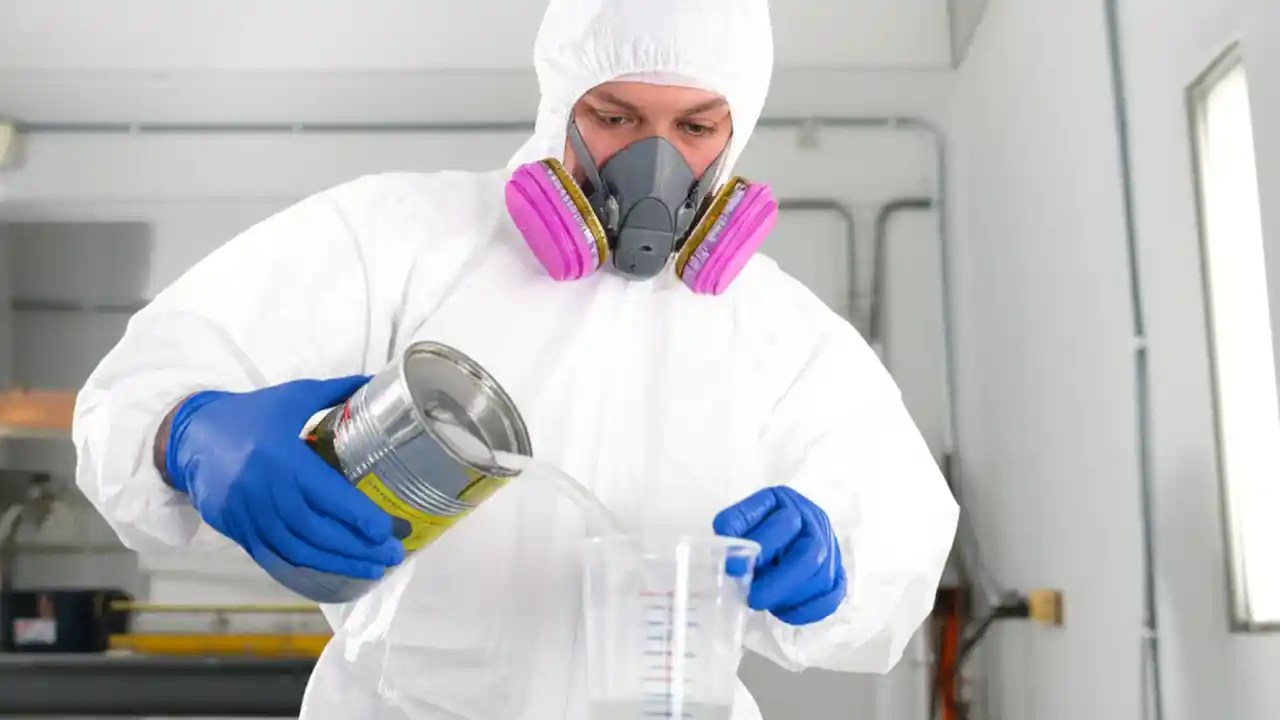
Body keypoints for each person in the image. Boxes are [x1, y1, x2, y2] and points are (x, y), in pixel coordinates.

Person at [72, 0, 959, 717]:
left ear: (739, 131)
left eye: (695, 125)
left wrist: (832, 561)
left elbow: (899, 549)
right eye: (615, 117)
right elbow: (142, 385)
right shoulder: (402, 239)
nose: (655, 162)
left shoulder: (781, 330)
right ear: (560, 105)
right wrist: (189, 433)